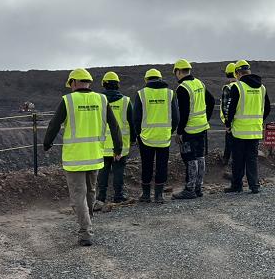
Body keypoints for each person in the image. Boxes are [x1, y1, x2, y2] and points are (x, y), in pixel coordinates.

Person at [43, 68, 122, 246]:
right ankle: (88, 223)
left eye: (70, 84)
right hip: (95, 155)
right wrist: (118, 148)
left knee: (79, 195)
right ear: (88, 82)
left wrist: (47, 143)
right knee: (90, 192)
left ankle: (85, 231)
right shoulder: (101, 99)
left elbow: (54, 124)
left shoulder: (68, 100)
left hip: (75, 159)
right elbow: (114, 125)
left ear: (74, 82)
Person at [133, 68, 178, 204]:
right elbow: (176, 117)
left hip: (146, 138)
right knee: (162, 165)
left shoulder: (141, 94)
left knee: (146, 165)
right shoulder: (170, 94)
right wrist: (170, 131)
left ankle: (146, 195)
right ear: (160, 78)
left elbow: (136, 117)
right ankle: (159, 196)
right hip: (164, 137)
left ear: (146, 80)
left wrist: (138, 134)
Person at [225, 60, 271, 194]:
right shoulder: (262, 88)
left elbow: (231, 109)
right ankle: (254, 186)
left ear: (238, 73)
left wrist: (228, 124)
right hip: (255, 131)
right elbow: (267, 108)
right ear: (249, 70)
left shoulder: (237, 87)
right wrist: (259, 120)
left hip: (239, 131)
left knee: (238, 160)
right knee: (252, 158)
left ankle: (237, 186)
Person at [172, 59, 215, 199]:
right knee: (200, 156)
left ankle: (189, 189)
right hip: (202, 127)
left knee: (189, 158)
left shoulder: (183, 88)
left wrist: (179, 132)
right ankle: (198, 188)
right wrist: (205, 118)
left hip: (189, 130)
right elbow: (212, 100)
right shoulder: (199, 83)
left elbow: (183, 113)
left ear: (178, 71)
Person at [95, 71, 135, 207]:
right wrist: (133, 138)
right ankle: (118, 195)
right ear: (117, 85)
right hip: (120, 144)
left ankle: (101, 197)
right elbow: (132, 122)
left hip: (102, 144)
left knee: (103, 171)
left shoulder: (99, 101)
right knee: (119, 170)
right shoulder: (126, 101)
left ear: (104, 85)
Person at [219, 62, 237, 169]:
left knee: (229, 140)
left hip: (231, 121)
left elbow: (226, 107)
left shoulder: (228, 88)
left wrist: (227, 122)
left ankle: (226, 160)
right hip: (241, 122)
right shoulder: (242, 86)